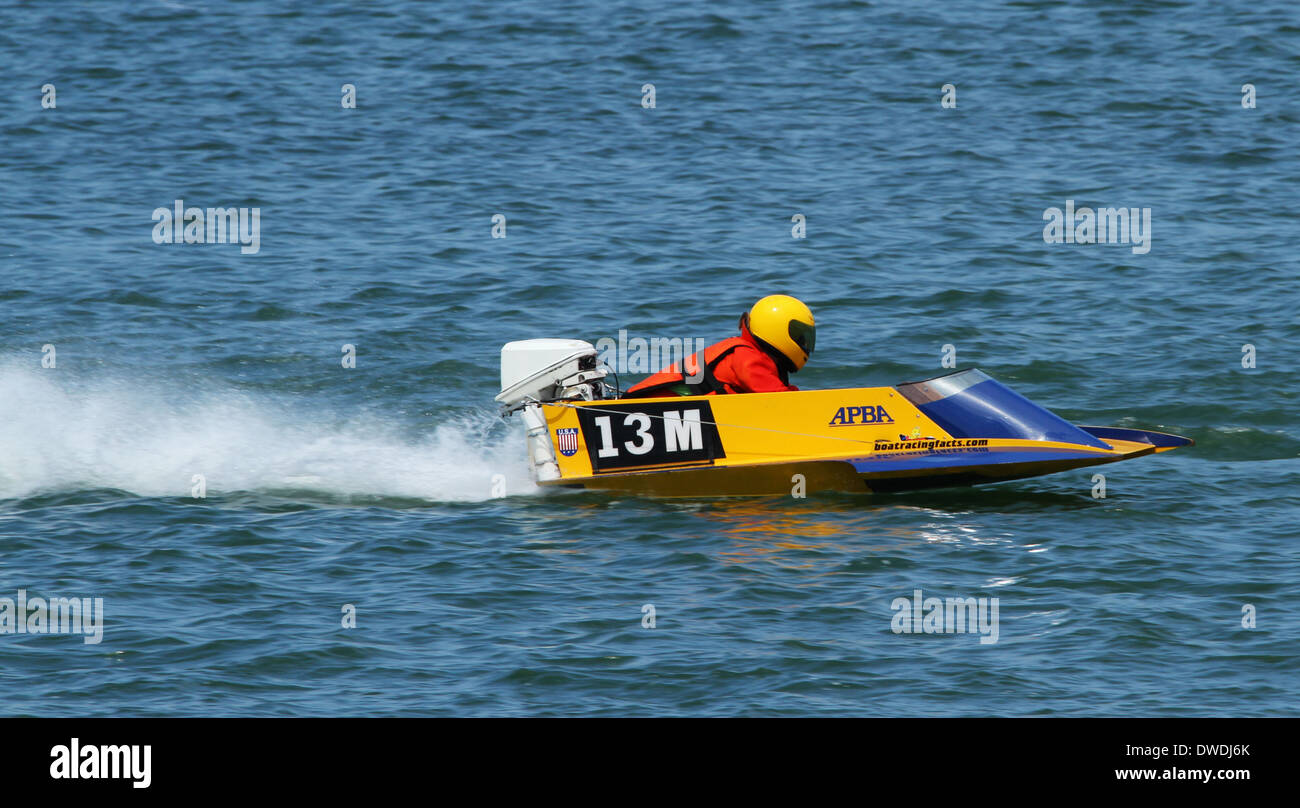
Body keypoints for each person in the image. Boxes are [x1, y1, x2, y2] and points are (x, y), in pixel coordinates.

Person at [623, 295, 815, 398]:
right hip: (654, 408)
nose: (804, 344)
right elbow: (778, 400)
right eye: (800, 337)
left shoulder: (746, 350)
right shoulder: (747, 356)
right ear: (777, 329)